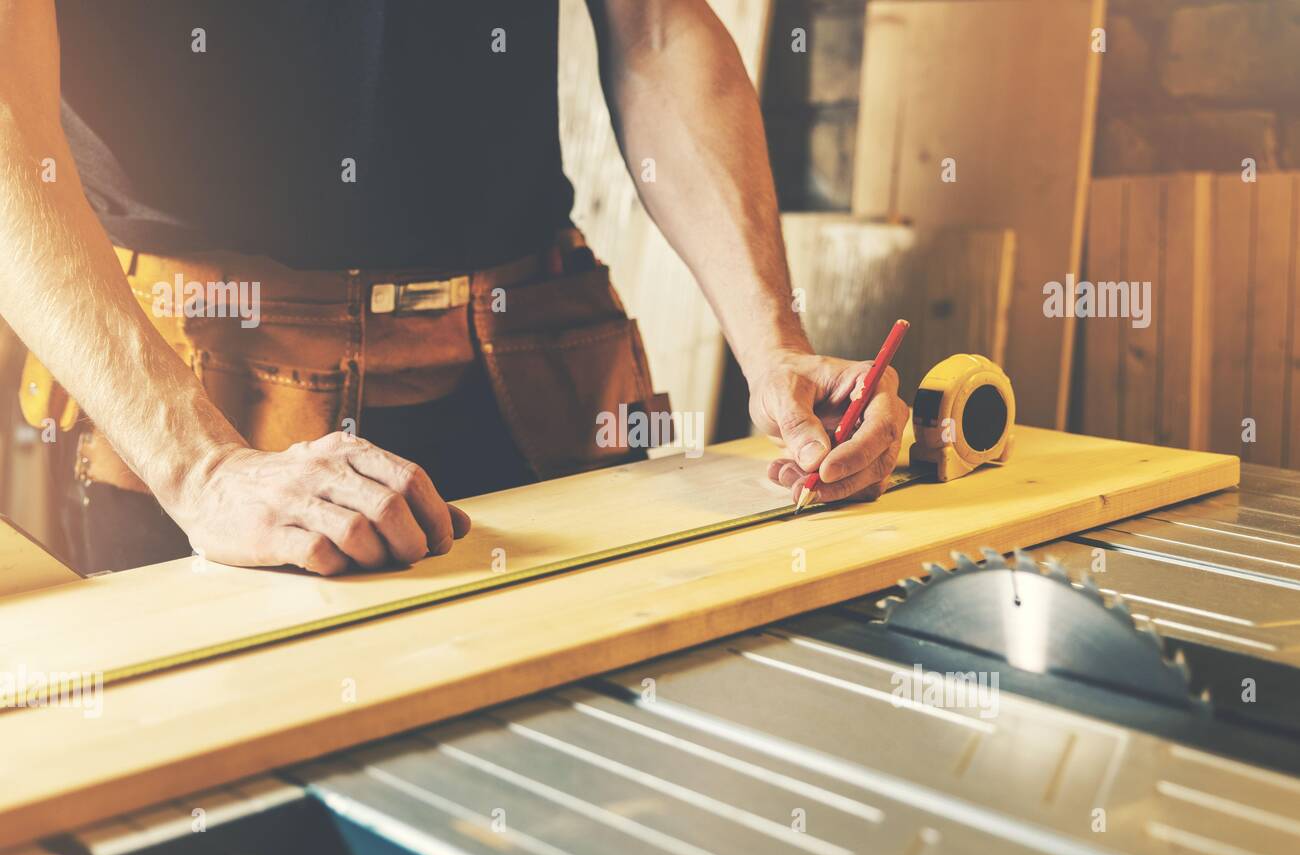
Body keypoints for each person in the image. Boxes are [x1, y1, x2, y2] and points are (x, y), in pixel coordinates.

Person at [0, 0, 909, 575]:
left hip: (528, 380)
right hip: (198, 407)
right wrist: (201, 468)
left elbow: (657, 26)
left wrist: (772, 340)